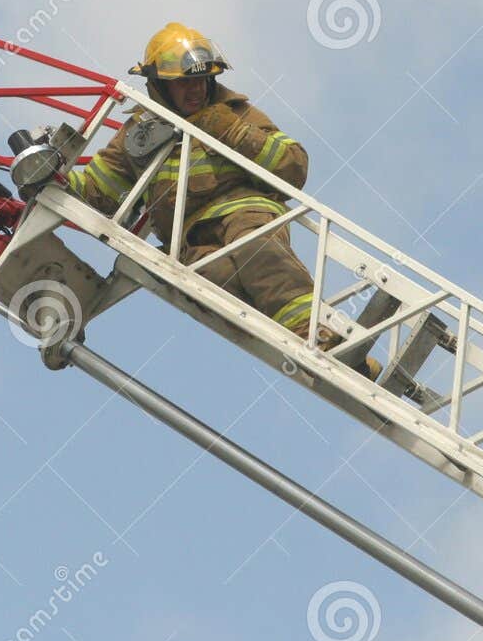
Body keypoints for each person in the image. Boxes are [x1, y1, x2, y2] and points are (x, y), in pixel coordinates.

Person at [65, 22, 379, 380]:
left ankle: (318, 335)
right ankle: (355, 364)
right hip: (192, 245)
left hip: (246, 213)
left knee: (256, 250)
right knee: (226, 290)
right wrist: (54, 176)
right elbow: (96, 189)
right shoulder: (137, 136)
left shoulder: (236, 113)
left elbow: (294, 168)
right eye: (184, 82)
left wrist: (233, 131)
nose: (196, 89)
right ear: (159, 85)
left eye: (201, 80)